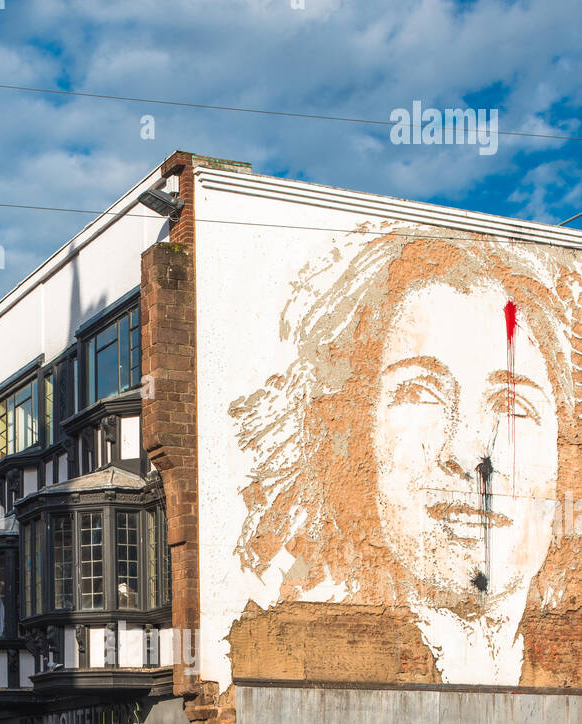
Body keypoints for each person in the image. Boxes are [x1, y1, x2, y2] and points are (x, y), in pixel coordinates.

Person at [231, 229, 582, 685]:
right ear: (354, 432)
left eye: (512, 403)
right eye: (421, 392)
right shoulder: (275, 646)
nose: (470, 452)